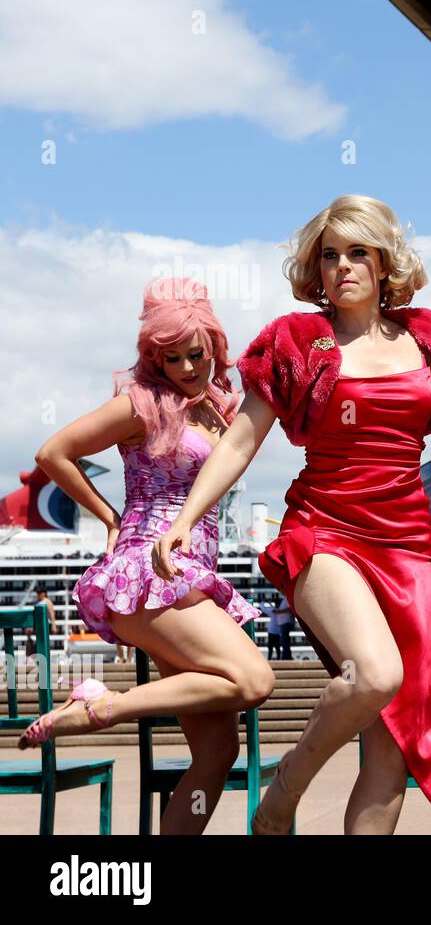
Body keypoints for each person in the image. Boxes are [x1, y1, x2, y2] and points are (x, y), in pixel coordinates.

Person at [153, 195, 431, 834]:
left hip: (407, 544)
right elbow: (241, 438)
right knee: (373, 675)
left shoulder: (427, 338)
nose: (342, 267)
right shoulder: (296, 341)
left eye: (357, 253)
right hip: (325, 530)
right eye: (330, 255)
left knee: (394, 746)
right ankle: (283, 792)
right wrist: (184, 517)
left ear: (385, 261)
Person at [25, 278, 273, 835]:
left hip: (189, 579)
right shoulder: (141, 404)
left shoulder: (220, 405)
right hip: (147, 572)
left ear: (214, 345)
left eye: (196, 355)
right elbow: (53, 452)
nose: (186, 368)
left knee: (217, 753)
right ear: (153, 359)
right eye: (171, 358)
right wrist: (109, 516)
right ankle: (101, 706)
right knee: (254, 679)